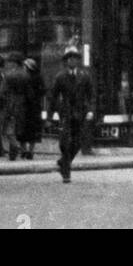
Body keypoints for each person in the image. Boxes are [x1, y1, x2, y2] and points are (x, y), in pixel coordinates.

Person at [49, 47, 93, 182]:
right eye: (69, 58)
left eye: (74, 58)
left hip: (80, 112)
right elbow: (53, 96)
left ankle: (64, 162)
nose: (72, 60)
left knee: (78, 142)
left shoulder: (84, 76)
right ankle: (66, 173)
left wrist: (90, 110)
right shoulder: (60, 77)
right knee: (64, 142)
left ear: (78, 61)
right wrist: (53, 114)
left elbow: (90, 95)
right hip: (65, 112)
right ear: (66, 61)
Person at [21, 58, 45, 160]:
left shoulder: (24, 77)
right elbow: (43, 90)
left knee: (22, 129)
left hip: (25, 106)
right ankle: (31, 150)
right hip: (35, 106)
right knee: (33, 130)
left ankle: (23, 150)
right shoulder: (39, 77)